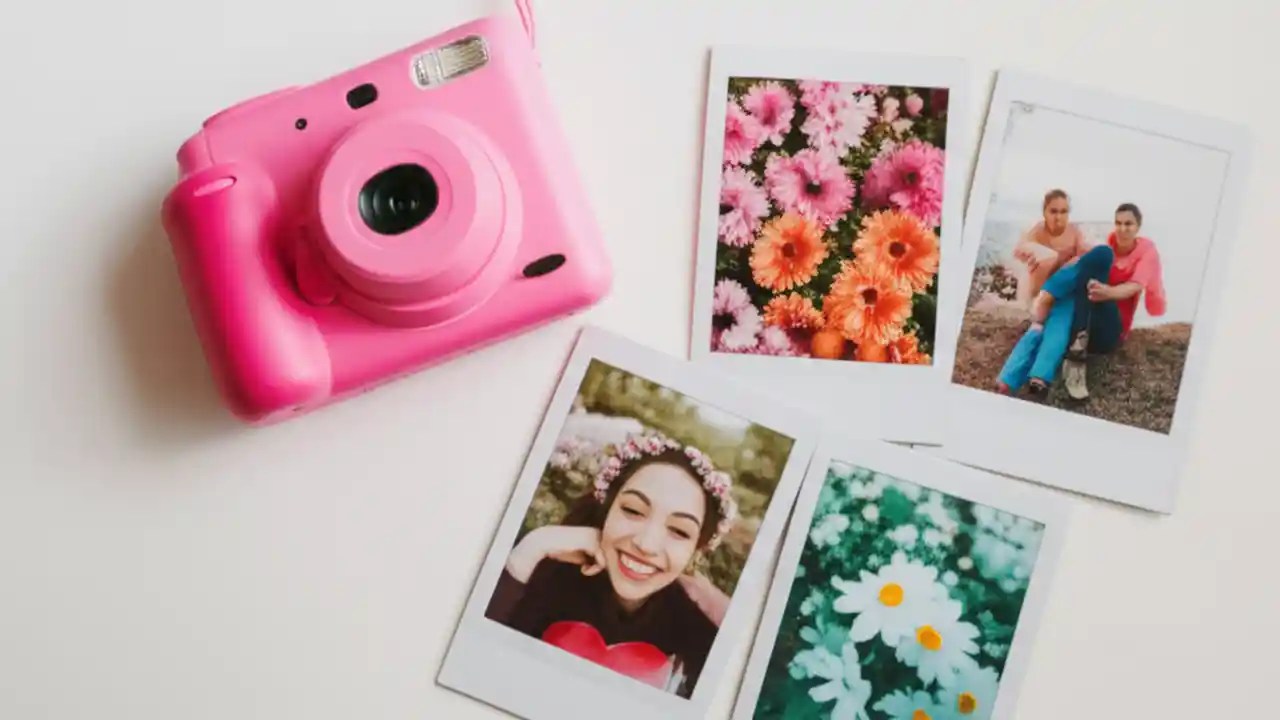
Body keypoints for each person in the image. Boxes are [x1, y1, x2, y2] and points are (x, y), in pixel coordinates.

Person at [486, 431, 736, 698]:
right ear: (607, 509)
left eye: (679, 531)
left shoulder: (702, 633)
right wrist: (530, 549)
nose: (646, 544)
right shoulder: (540, 577)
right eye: (633, 511)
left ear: (696, 549)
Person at [997, 203, 1166, 399]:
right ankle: (1036, 377)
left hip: (1110, 329)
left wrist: (1108, 292)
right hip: (1083, 321)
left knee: (1100, 256)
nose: (1122, 228)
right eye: (1118, 223)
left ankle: (1046, 300)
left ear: (1138, 227)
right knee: (1072, 290)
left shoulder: (1146, 251)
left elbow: (1135, 286)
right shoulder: (1110, 243)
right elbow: (1081, 263)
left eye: (1128, 224)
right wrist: (1069, 262)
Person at [1010, 189, 1091, 309]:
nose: (1058, 217)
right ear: (1044, 213)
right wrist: (1028, 256)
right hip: (1037, 283)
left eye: (1063, 212)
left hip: (1061, 281)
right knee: (1047, 259)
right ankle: (1030, 305)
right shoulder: (1037, 231)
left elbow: (1085, 256)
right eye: (1053, 211)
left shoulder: (1075, 232)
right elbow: (1018, 252)